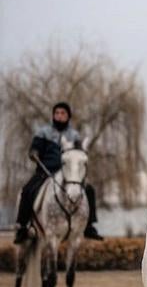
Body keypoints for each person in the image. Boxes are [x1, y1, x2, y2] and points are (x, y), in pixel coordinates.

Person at [14, 102, 104, 244]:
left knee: (90, 190)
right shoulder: (43, 132)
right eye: (57, 113)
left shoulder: (74, 135)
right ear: (53, 115)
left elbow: (79, 153)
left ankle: (89, 226)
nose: (59, 116)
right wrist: (34, 153)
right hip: (45, 171)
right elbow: (34, 149)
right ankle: (22, 226)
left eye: (63, 113)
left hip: (68, 174)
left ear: (68, 116)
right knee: (27, 190)